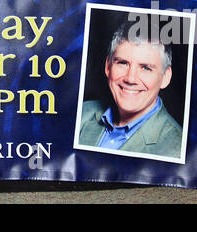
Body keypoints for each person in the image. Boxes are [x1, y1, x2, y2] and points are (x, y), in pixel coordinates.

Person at [76, 23, 184, 159]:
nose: (130, 79)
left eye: (145, 68)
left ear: (165, 77)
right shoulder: (80, 113)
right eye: (122, 63)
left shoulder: (176, 149)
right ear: (108, 67)